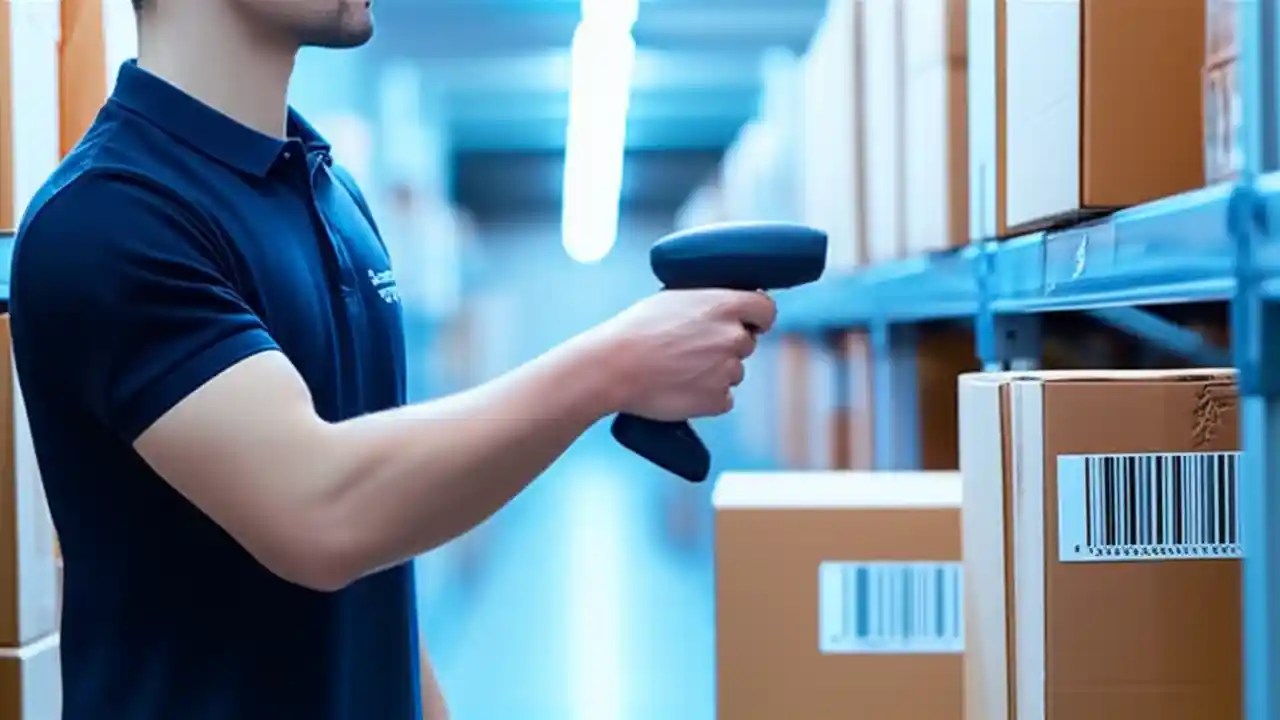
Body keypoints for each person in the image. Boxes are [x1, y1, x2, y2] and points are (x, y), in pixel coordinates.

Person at [7, 0, 776, 718]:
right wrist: (616, 365)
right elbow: (322, 510)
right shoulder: (109, 218)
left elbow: (379, 548)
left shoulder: (332, 196)